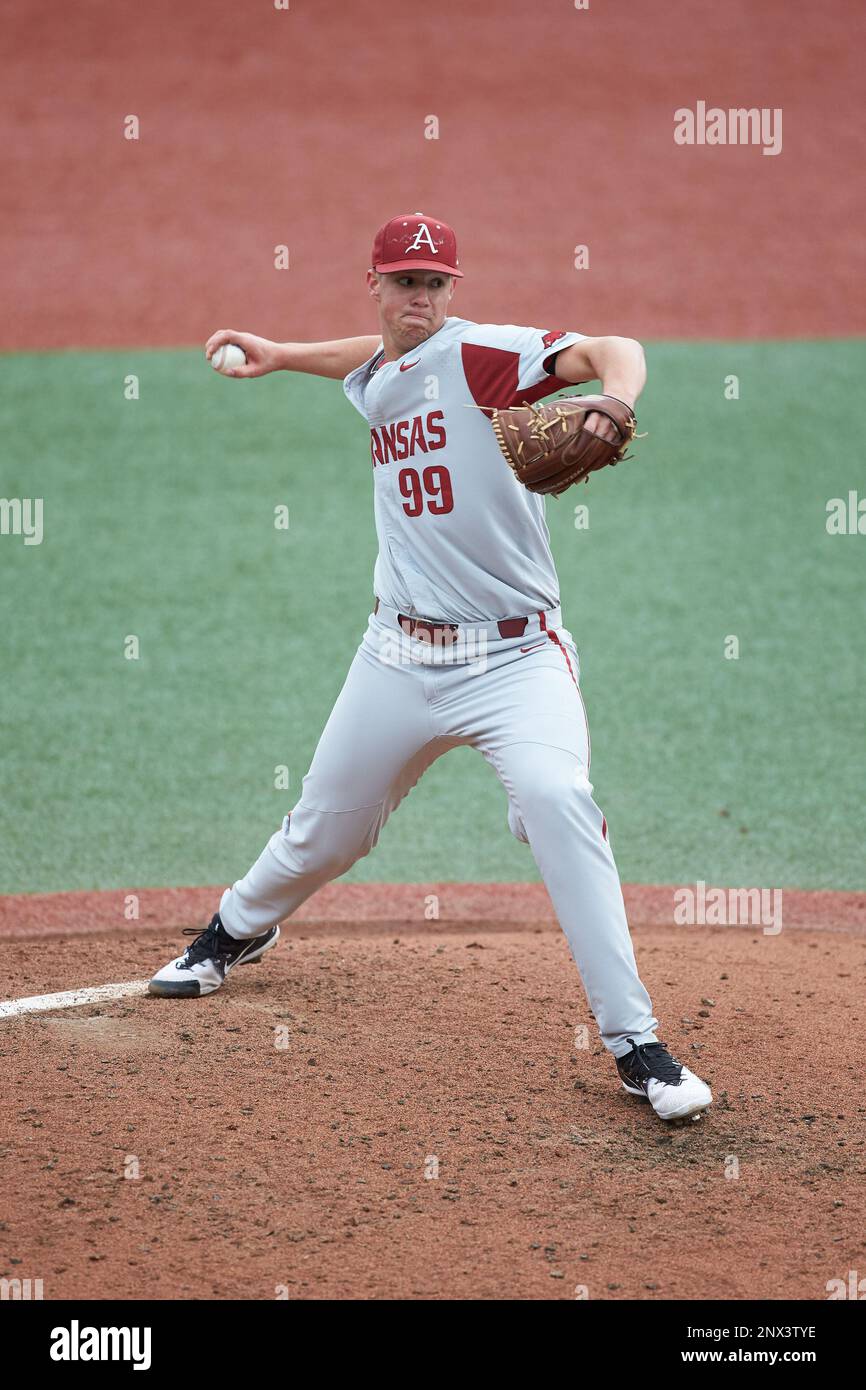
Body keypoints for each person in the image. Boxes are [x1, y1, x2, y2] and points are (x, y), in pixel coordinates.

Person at [148, 212, 712, 1124]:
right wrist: (282, 353)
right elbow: (373, 360)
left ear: (454, 291)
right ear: (374, 282)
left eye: (435, 283)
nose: (421, 297)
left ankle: (636, 1044)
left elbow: (618, 346)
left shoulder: (486, 355)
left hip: (516, 656)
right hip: (398, 656)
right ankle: (234, 933)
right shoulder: (382, 368)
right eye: (405, 281)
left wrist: (617, 397)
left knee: (558, 803)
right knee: (326, 833)